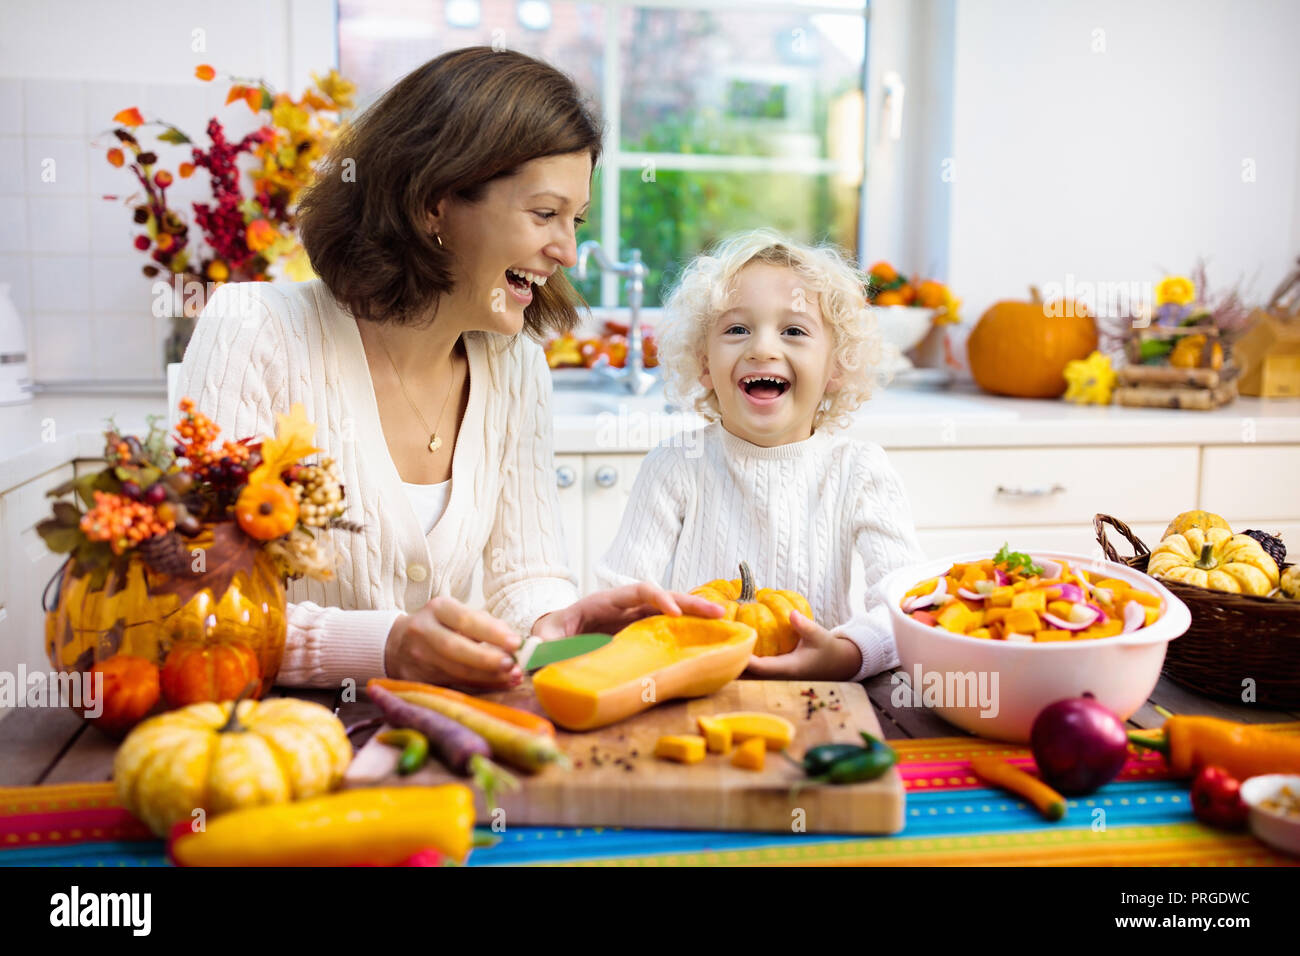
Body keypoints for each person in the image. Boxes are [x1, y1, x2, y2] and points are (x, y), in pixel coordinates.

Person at [179, 47, 720, 692]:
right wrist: (385, 647)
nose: (568, 251)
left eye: (573, 221)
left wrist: (554, 623)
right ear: (433, 203)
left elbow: (524, 575)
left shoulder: (515, 366)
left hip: (441, 748)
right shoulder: (255, 330)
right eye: (545, 215)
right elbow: (203, 605)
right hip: (265, 743)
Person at [595, 229, 926, 681]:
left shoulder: (859, 470)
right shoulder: (676, 464)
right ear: (705, 362)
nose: (763, 349)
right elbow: (618, 598)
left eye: (793, 331)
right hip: (695, 690)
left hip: (823, 695)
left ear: (837, 365)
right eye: (737, 329)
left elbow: (907, 608)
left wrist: (847, 653)